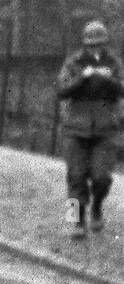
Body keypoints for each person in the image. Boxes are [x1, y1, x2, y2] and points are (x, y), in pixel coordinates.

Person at [56, 20, 124, 236]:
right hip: (75, 129)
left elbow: (122, 88)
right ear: (84, 45)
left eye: (99, 44)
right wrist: (82, 78)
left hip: (105, 129)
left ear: (105, 44)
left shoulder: (113, 63)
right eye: (91, 45)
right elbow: (61, 90)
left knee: (102, 177)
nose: (96, 49)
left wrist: (108, 79)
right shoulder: (73, 62)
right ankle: (75, 221)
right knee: (75, 176)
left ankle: (96, 208)